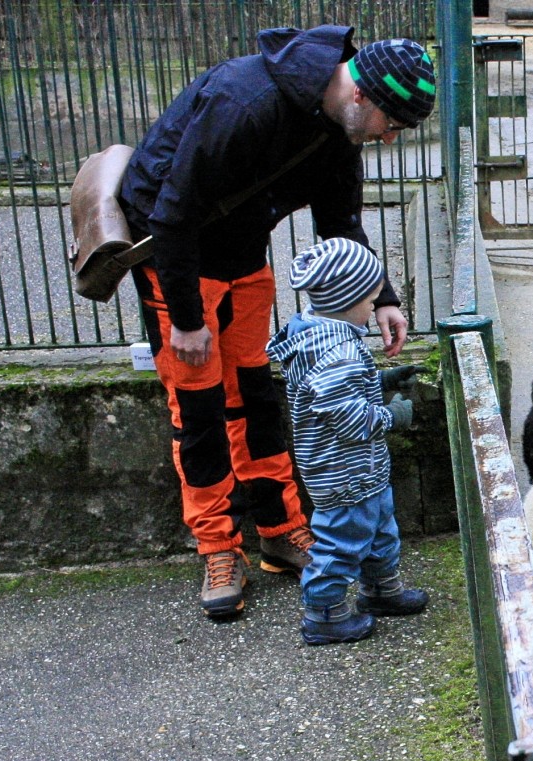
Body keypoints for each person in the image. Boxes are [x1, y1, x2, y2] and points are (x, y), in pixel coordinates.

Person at [117, 25, 435, 617]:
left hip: (240, 257)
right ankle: (217, 546)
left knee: (257, 397)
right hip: (173, 258)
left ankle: (280, 530)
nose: (390, 139)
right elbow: (174, 211)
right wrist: (186, 320)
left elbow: (340, 222)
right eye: (392, 125)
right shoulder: (244, 103)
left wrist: (384, 295)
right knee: (200, 407)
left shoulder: (338, 131)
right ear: (362, 96)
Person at [267, 238, 430, 645]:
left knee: (379, 532)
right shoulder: (336, 351)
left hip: (362, 470)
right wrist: (394, 414)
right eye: (372, 300)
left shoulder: (325, 335)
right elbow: (349, 417)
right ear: (350, 298)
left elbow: (339, 393)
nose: (374, 308)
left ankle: (381, 592)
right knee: (340, 544)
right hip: (342, 471)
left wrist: (382, 380)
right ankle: (324, 615)